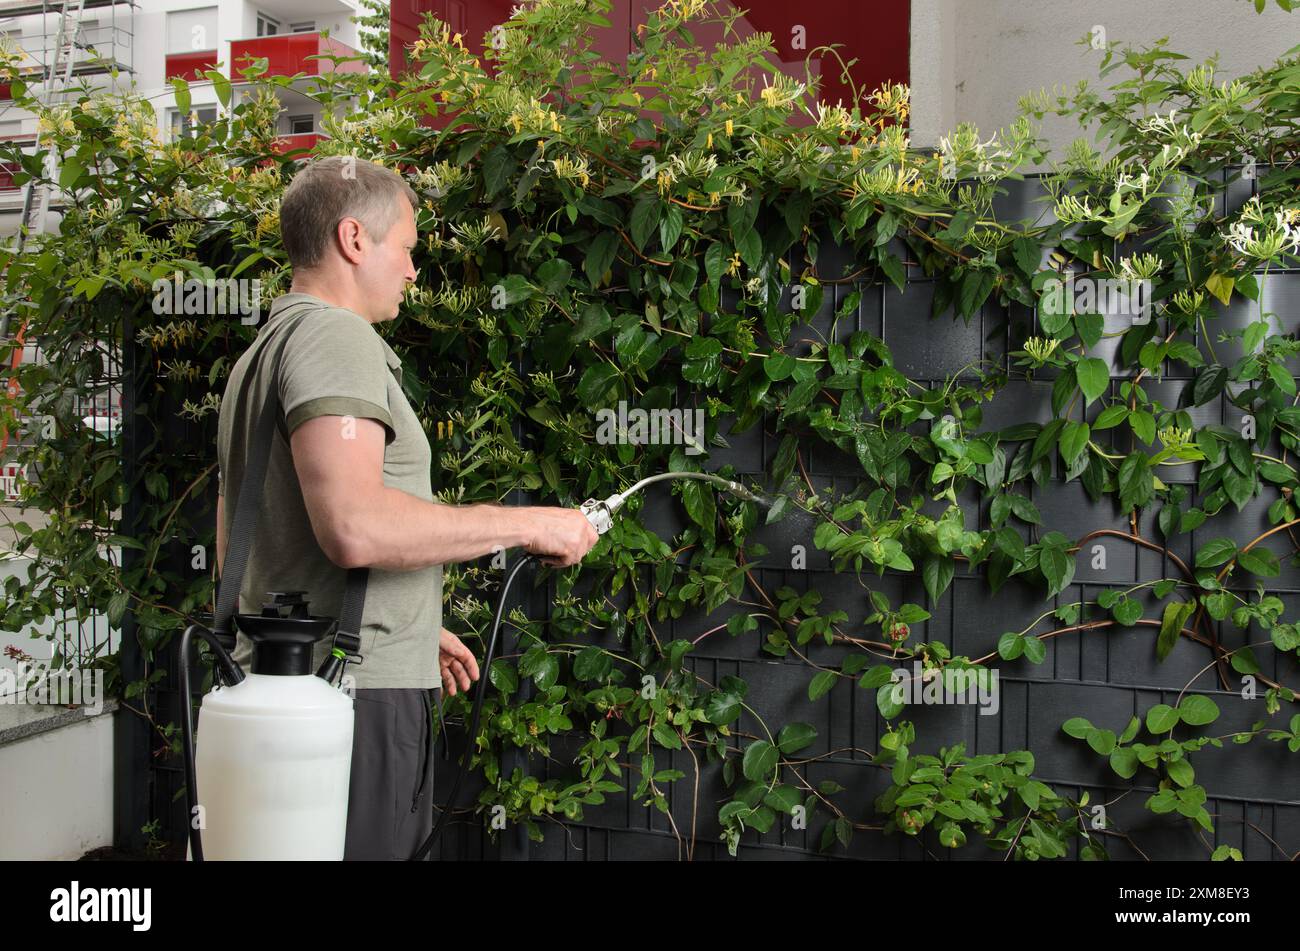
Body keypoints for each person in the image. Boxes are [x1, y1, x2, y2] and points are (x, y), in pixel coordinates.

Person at [214, 155, 599, 860]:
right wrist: (529, 522)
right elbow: (354, 525)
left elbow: (261, 547)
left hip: (278, 689)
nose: (415, 271)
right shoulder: (336, 339)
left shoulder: (262, 352)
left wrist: (413, 621)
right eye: (409, 249)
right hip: (351, 700)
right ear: (355, 240)